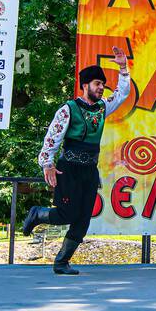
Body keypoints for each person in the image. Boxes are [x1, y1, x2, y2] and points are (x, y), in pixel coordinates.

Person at [21, 49, 131, 274]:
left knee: (82, 220)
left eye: (103, 84)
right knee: (67, 214)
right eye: (97, 83)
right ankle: (38, 213)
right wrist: (47, 164)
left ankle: (61, 262)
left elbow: (122, 94)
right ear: (85, 85)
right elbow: (52, 137)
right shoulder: (68, 109)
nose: (101, 88)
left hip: (89, 170)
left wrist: (123, 68)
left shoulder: (102, 108)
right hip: (68, 169)